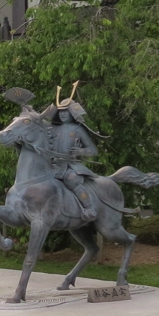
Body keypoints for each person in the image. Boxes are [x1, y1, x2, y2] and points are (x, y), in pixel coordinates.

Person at [46, 83, 99, 223]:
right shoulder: (51, 128)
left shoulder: (78, 129)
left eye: (66, 112)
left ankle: (89, 208)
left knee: (71, 179)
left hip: (70, 166)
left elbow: (93, 150)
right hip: (52, 165)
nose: (63, 115)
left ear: (72, 113)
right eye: (61, 112)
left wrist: (81, 151)